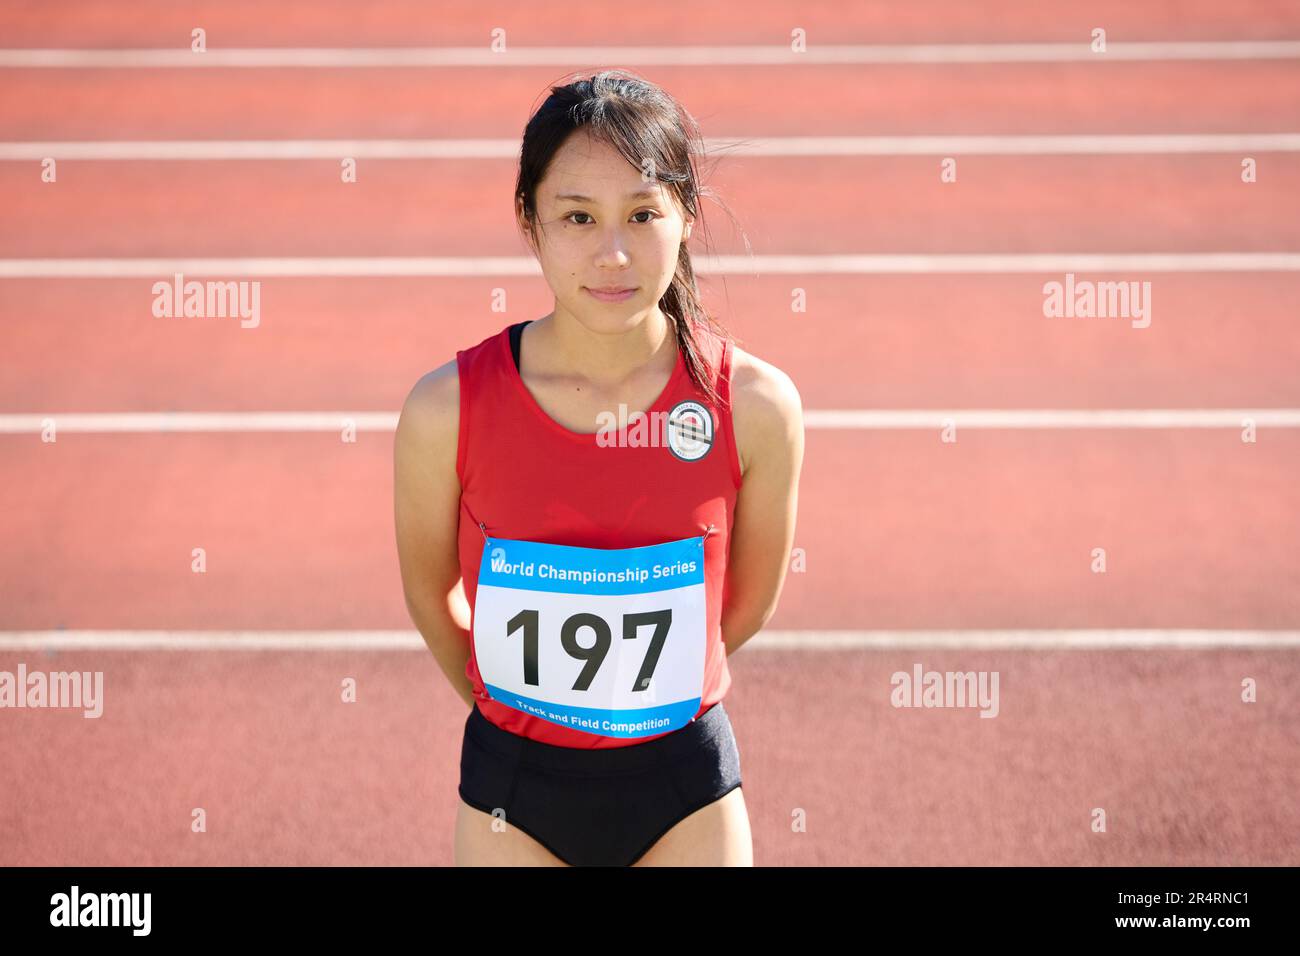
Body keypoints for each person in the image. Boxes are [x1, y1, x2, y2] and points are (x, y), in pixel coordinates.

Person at [394, 70, 803, 866]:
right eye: (577, 217)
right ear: (530, 222)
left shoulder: (755, 405)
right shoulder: (445, 409)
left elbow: (743, 609)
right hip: (515, 788)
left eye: (643, 214)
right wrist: (526, 709)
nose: (612, 253)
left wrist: (629, 706)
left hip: (683, 790)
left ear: (685, 218)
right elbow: (428, 591)